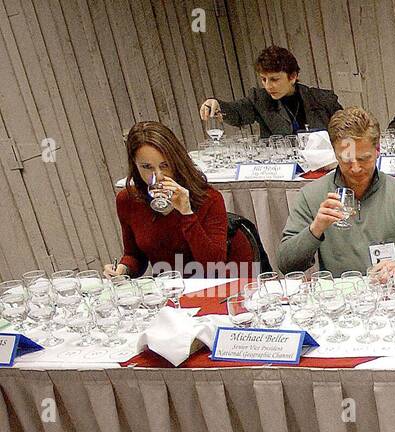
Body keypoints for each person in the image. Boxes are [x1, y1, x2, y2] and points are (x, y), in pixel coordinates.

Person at [278, 107, 395, 278]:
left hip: (390, 294)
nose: (355, 168)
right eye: (346, 160)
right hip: (341, 299)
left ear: (378, 150)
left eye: (364, 158)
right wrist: (315, 229)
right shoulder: (312, 196)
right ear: (334, 154)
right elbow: (286, 264)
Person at [104, 121, 228, 279]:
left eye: (165, 165)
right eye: (147, 167)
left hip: (207, 288)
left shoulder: (209, 198)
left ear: (176, 162)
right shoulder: (128, 200)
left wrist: (187, 213)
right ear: (135, 166)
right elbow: (135, 255)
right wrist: (123, 269)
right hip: (165, 289)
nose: (159, 176)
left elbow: (215, 266)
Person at [199, 46, 341, 138]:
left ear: (293, 77)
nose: (268, 86)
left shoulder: (322, 99)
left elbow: (345, 132)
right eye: (263, 79)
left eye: (274, 79)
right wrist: (217, 105)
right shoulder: (260, 99)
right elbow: (237, 113)